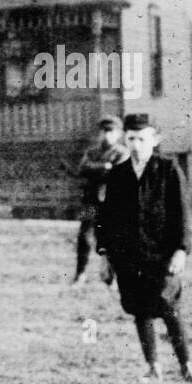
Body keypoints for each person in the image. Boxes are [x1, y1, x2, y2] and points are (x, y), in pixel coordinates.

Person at [96, 113, 192, 383]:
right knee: (140, 309)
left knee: (168, 306)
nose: (136, 145)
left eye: (142, 139)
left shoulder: (168, 168)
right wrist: (105, 256)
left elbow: (183, 213)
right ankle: (153, 367)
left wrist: (181, 250)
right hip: (128, 257)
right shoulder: (118, 174)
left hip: (162, 254)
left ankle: (186, 366)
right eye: (131, 138)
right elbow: (106, 219)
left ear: (155, 140)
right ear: (125, 139)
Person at [73, 116, 129, 284]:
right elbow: (82, 168)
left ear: (119, 134)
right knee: (85, 237)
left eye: (111, 132)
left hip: (112, 202)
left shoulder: (122, 152)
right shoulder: (92, 151)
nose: (107, 135)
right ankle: (80, 274)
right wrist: (104, 167)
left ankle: (110, 277)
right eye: (104, 131)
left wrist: (98, 170)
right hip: (91, 200)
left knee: (111, 239)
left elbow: (118, 174)